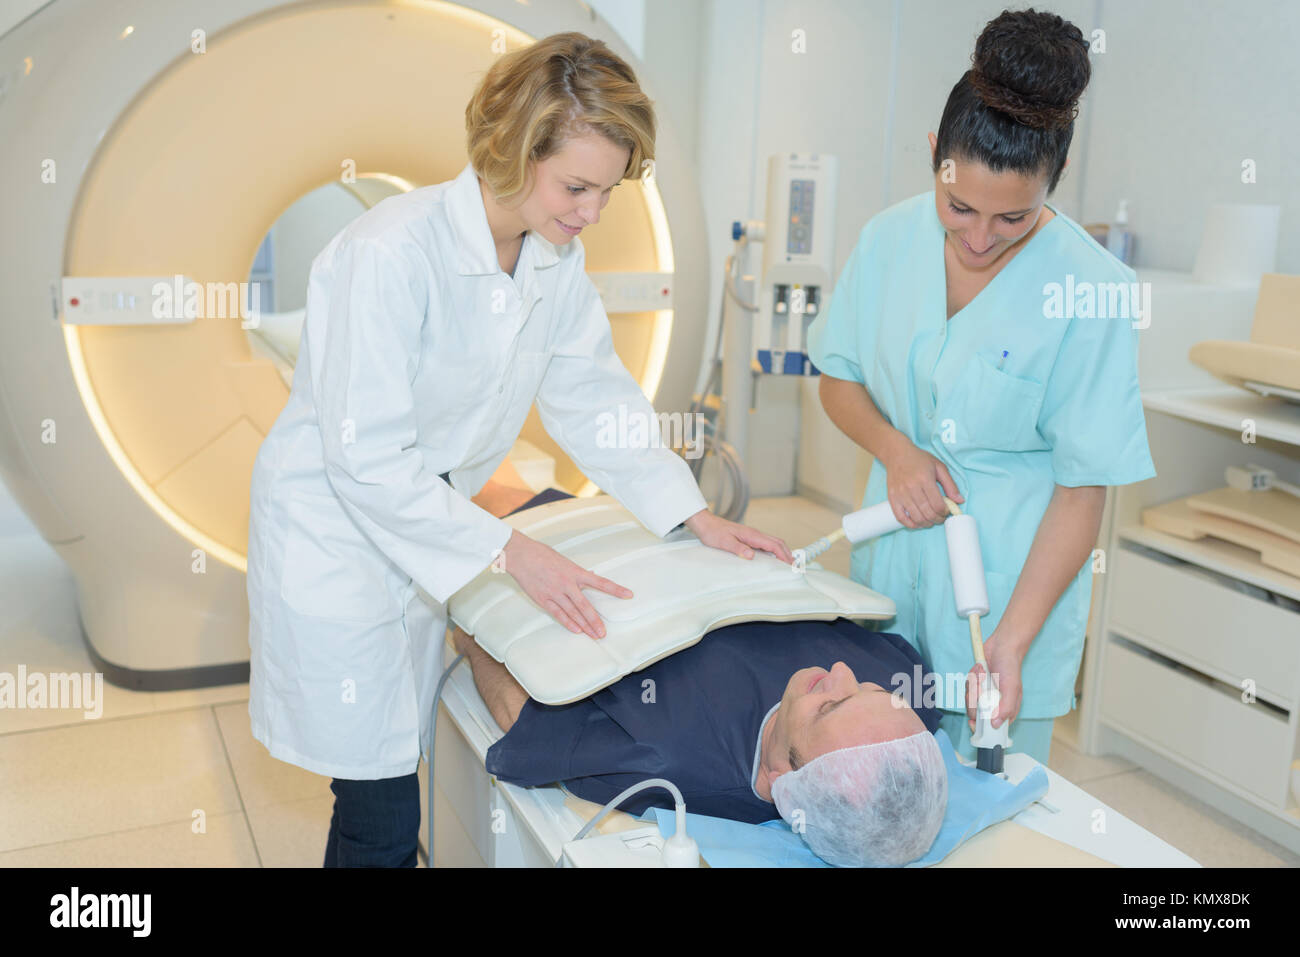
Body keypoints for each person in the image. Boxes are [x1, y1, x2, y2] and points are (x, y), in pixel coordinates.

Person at [246, 32, 791, 868]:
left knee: (383, 775)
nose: (591, 213)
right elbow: (368, 462)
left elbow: (594, 398)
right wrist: (511, 549)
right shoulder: (390, 253)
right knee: (381, 801)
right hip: (340, 538)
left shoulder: (551, 260)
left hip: (431, 535)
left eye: (606, 191)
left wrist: (690, 514)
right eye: (577, 186)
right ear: (511, 149)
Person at [808, 9, 1155, 766]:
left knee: (996, 801)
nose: (977, 237)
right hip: (894, 566)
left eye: (1014, 218)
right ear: (936, 158)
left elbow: (1082, 485)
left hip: (1011, 594)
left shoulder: (1093, 290)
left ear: (1053, 184)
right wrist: (897, 452)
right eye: (959, 205)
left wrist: (1014, 637)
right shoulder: (887, 239)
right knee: (881, 779)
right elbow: (837, 379)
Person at [451, 484, 947, 867]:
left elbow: (525, 721)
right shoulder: (908, 702)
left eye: (829, 703)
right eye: (866, 689)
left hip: (558, 551)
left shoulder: (662, 758)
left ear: (781, 779)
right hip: (666, 532)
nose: (842, 672)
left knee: (482, 496)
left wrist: (474, 636)